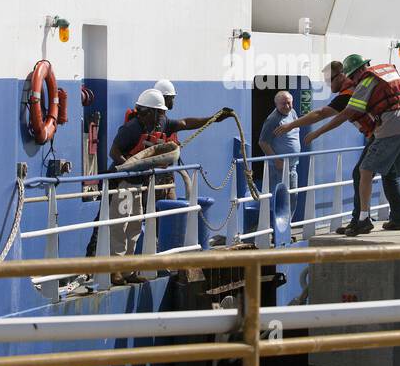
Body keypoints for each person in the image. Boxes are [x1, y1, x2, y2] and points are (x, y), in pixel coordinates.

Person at [85, 88, 234, 279]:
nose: (162, 117)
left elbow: (185, 123)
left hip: (138, 183)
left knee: (134, 227)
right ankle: (115, 271)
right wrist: (131, 166)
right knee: (119, 229)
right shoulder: (131, 129)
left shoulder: (158, 123)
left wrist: (215, 117)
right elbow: (114, 152)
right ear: (147, 112)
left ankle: (128, 270)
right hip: (122, 184)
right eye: (159, 112)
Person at [276, 62, 400, 232]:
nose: (328, 84)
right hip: (388, 130)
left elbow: (321, 113)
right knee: (389, 173)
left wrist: (292, 125)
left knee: (360, 173)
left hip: (379, 134)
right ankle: (398, 218)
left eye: (329, 80)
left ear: (341, 76)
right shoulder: (354, 89)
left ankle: (361, 220)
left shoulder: (349, 94)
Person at [305, 54, 400, 236]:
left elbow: (348, 113)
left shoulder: (366, 82)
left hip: (391, 127)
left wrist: (317, 132)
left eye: (352, 76)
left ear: (359, 71)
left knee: (364, 171)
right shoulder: (390, 72)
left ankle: (363, 219)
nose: (352, 80)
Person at [258, 90, 301, 189]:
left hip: (292, 165)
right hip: (278, 168)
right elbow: (263, 142)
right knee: (278, 198)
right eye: (283, 104)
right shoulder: (273, 120)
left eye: (289, 103)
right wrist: (276, 161)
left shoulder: (292, 112)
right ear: (276, 104)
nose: (287, 106)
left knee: (292, 196)